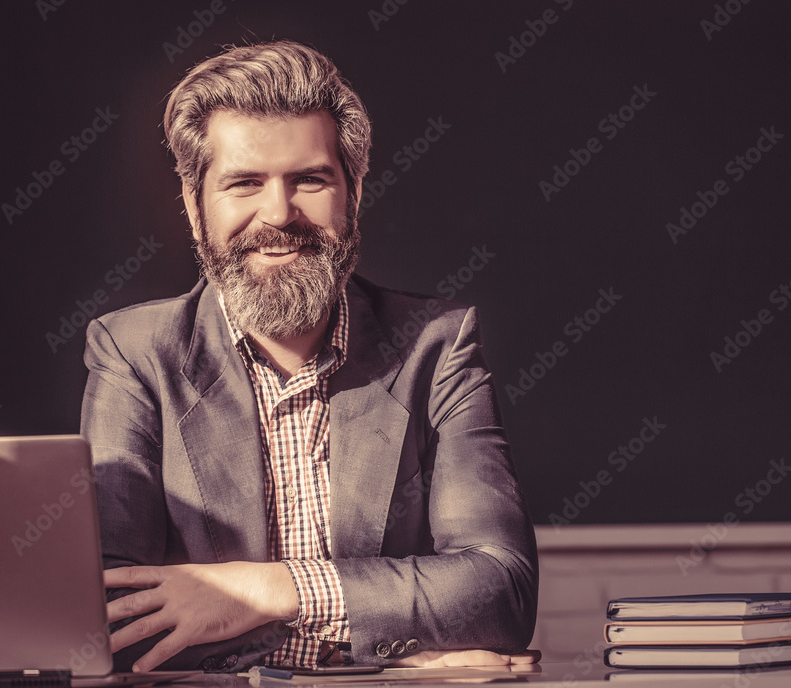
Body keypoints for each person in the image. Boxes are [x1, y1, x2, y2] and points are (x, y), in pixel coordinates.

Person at [80, 39, 538, 673]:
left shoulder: (438, 347)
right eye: (245, 183)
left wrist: (267, 589)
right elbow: (108, 614)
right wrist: (382, 654)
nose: (279, 213)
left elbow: (500, 590)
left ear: (352, 190)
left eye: (310, 180)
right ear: (193, 206)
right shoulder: (134, 355)